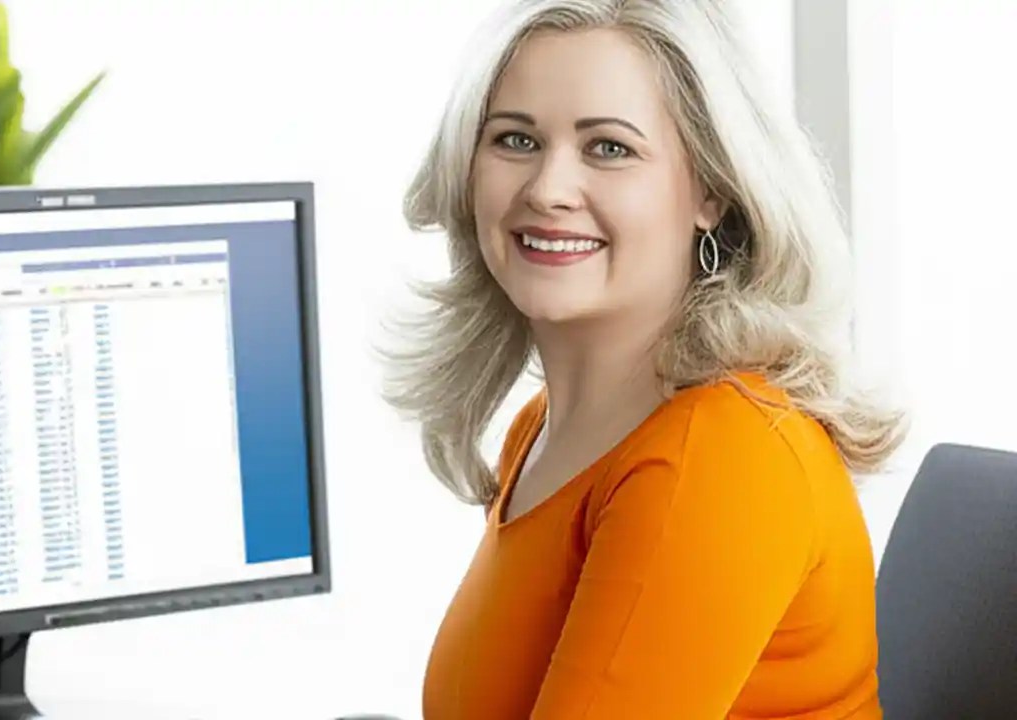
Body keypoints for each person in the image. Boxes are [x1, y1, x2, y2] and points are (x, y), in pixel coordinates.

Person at [380, 0, 908, 717]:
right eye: (515, 140)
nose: (548, 189)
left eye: (609, 148)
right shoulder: (538, 430)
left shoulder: (724, 456)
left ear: (712, 190)